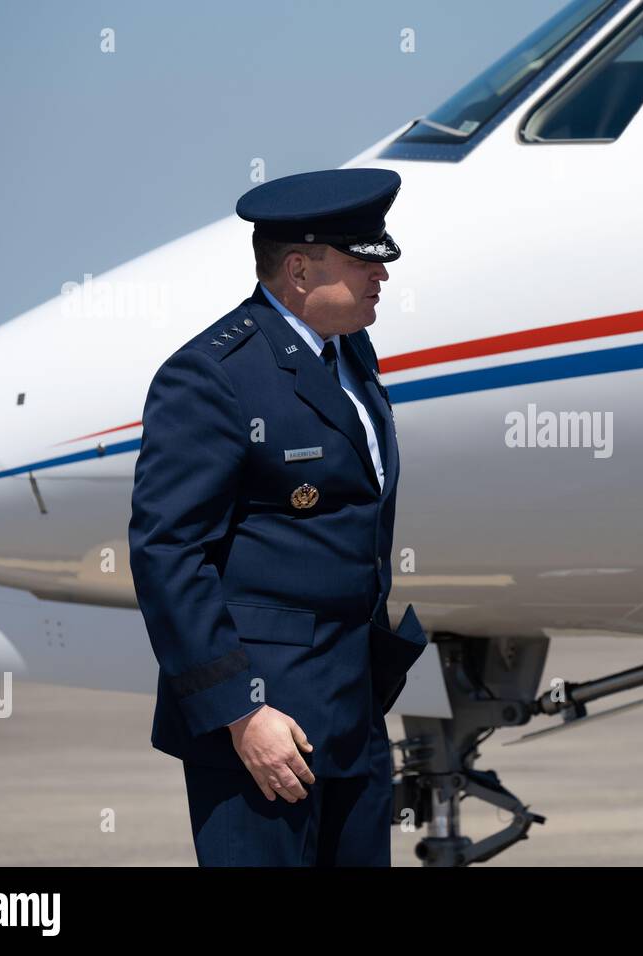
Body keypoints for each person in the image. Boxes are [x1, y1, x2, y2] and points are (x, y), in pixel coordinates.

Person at [128, 167, 426, 866]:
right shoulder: (214, 374)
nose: (378, 277)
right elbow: (168, 553)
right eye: (361, 262)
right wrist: (241, 711)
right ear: (298, 269)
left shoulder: (350, 353)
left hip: (353, 716)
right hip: (265, 728)